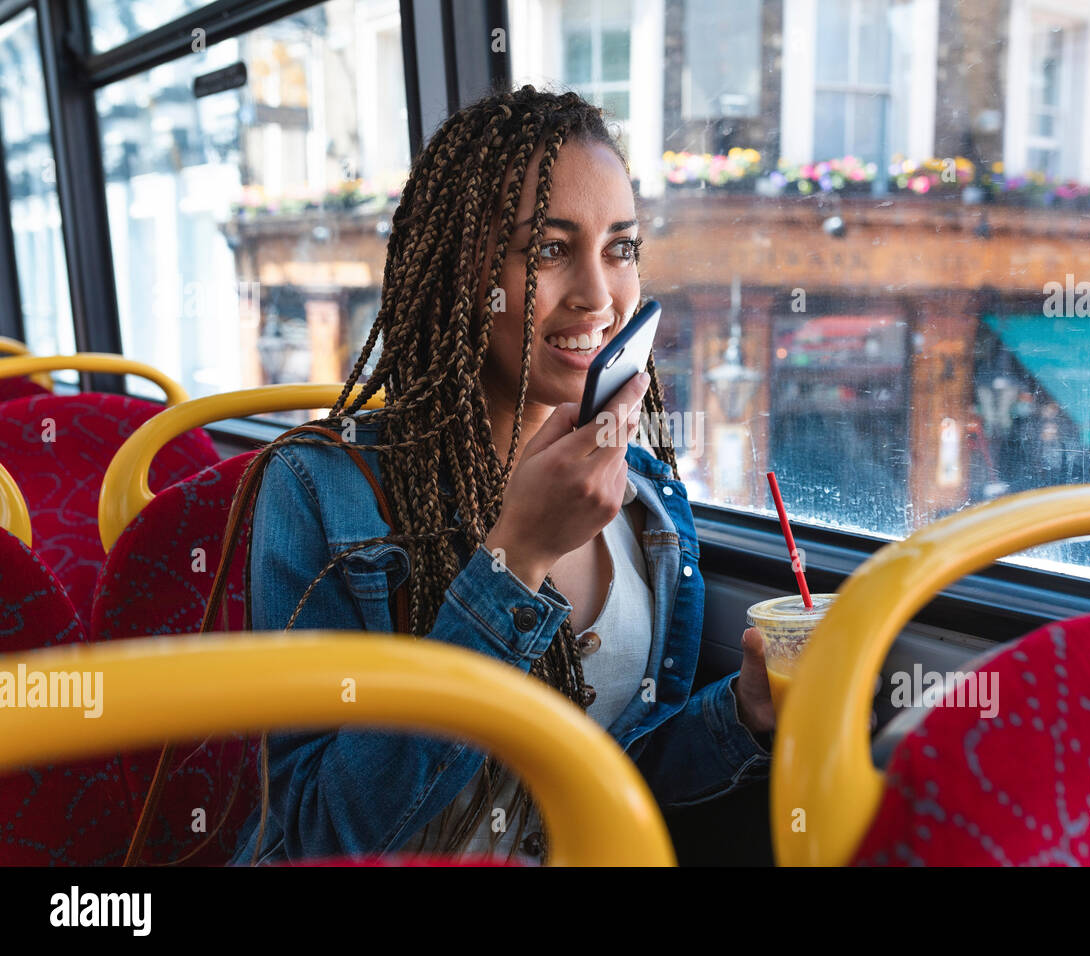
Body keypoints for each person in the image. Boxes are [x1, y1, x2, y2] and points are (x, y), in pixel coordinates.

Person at [222, 85, 776, 865]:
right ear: (459, 271)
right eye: (548, 249)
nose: (598, 296)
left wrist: (746, 712)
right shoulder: (322, 489)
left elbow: (610, 778)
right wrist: (513, 565)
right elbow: (321, 836)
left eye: (621, 248)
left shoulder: (646, 501)